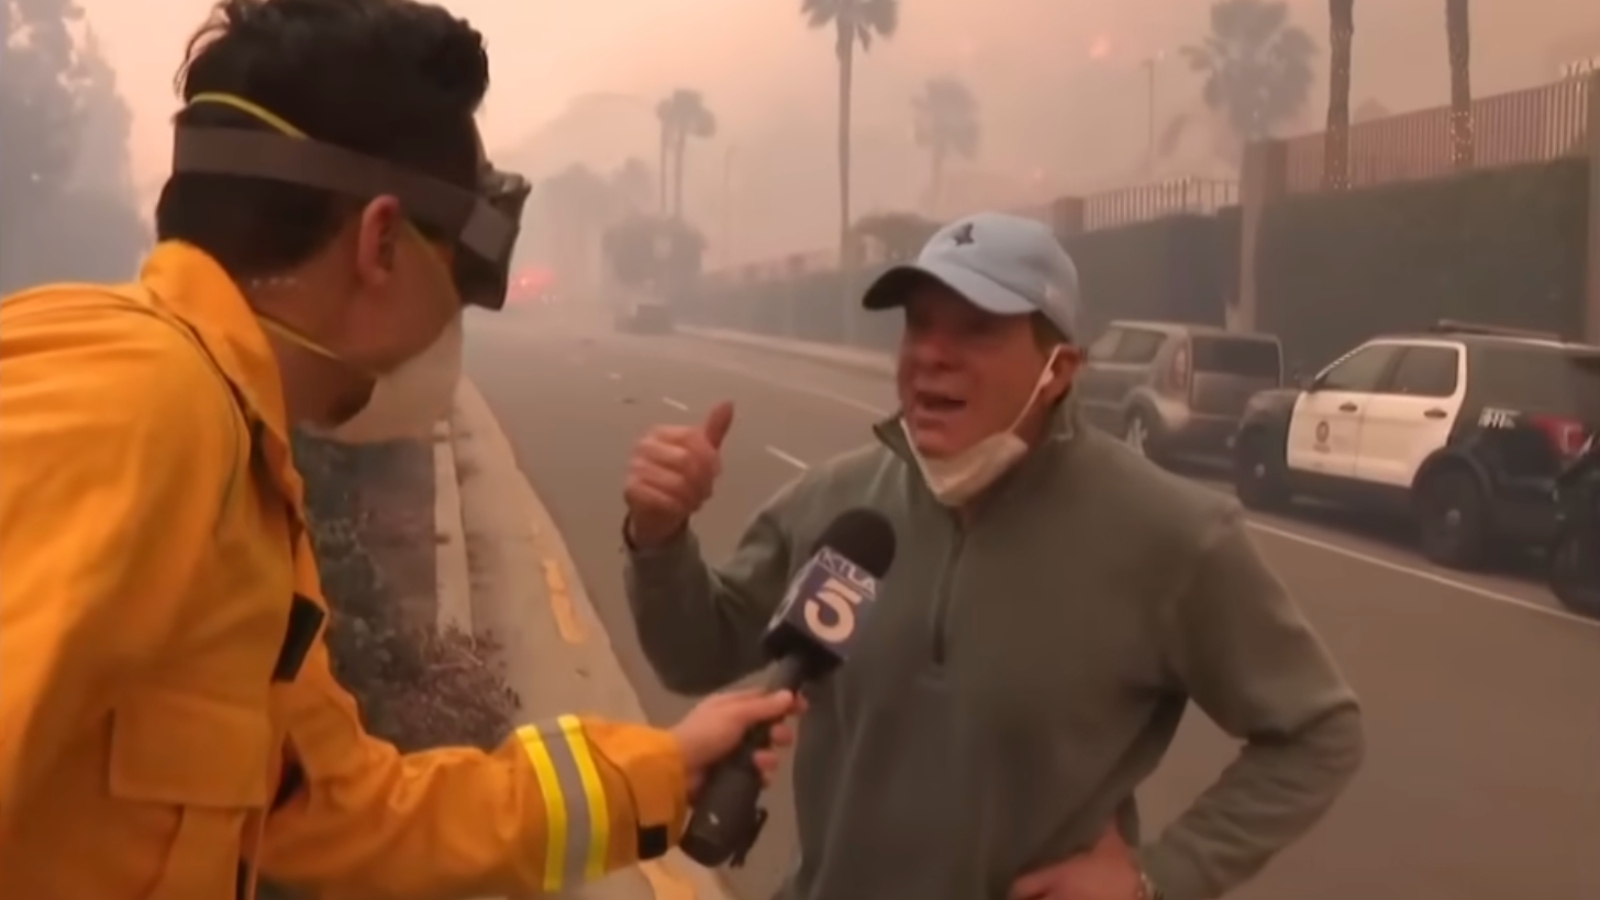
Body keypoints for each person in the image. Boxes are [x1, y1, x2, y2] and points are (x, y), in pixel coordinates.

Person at [0, 2, 797, 898]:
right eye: (456, 274)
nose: (453, 321)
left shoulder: (240, 461)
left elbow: (342, 809)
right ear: (382, 242)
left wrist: (657, 772)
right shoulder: (140, 399)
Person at [622, 212, 1365, 900]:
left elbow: (1316, 732)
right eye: (918, 326)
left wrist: (1156, 877)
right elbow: (697, 655)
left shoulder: (1174, 535)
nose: (930, 358)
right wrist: (658, 538)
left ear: (1060, 369)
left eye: (976, 329)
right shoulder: (838, 505)